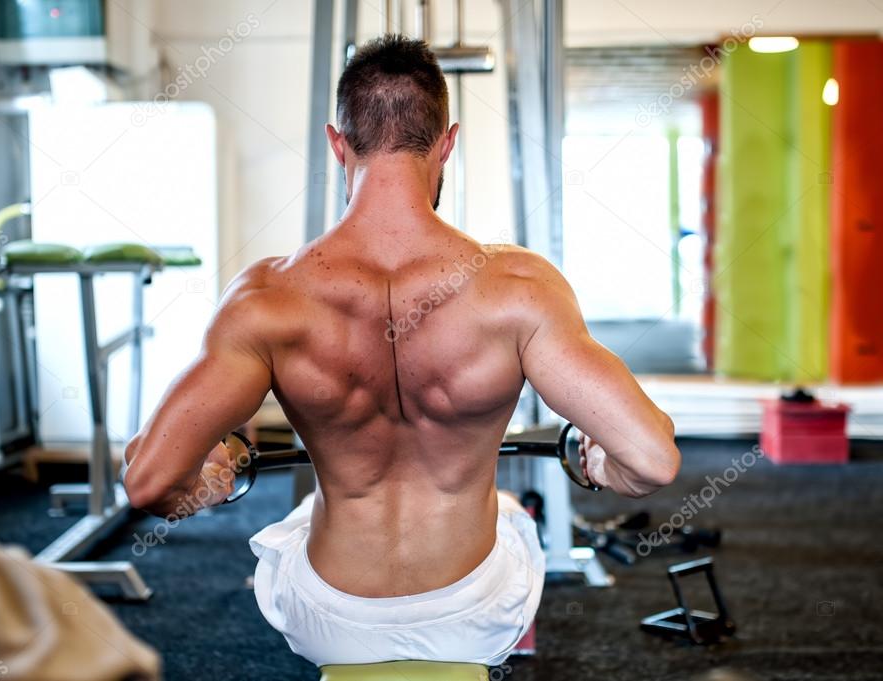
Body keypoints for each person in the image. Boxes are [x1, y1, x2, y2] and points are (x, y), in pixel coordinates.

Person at [123, 34, 680, 667]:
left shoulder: (266, 298)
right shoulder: (520, 288)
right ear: (448, 143)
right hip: (472, 613)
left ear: (337, 144)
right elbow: (653, 462)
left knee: (305, 516)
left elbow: (148, 482)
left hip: (330, 616)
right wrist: (604, 466)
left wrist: (205, 486)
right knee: (509, 513)